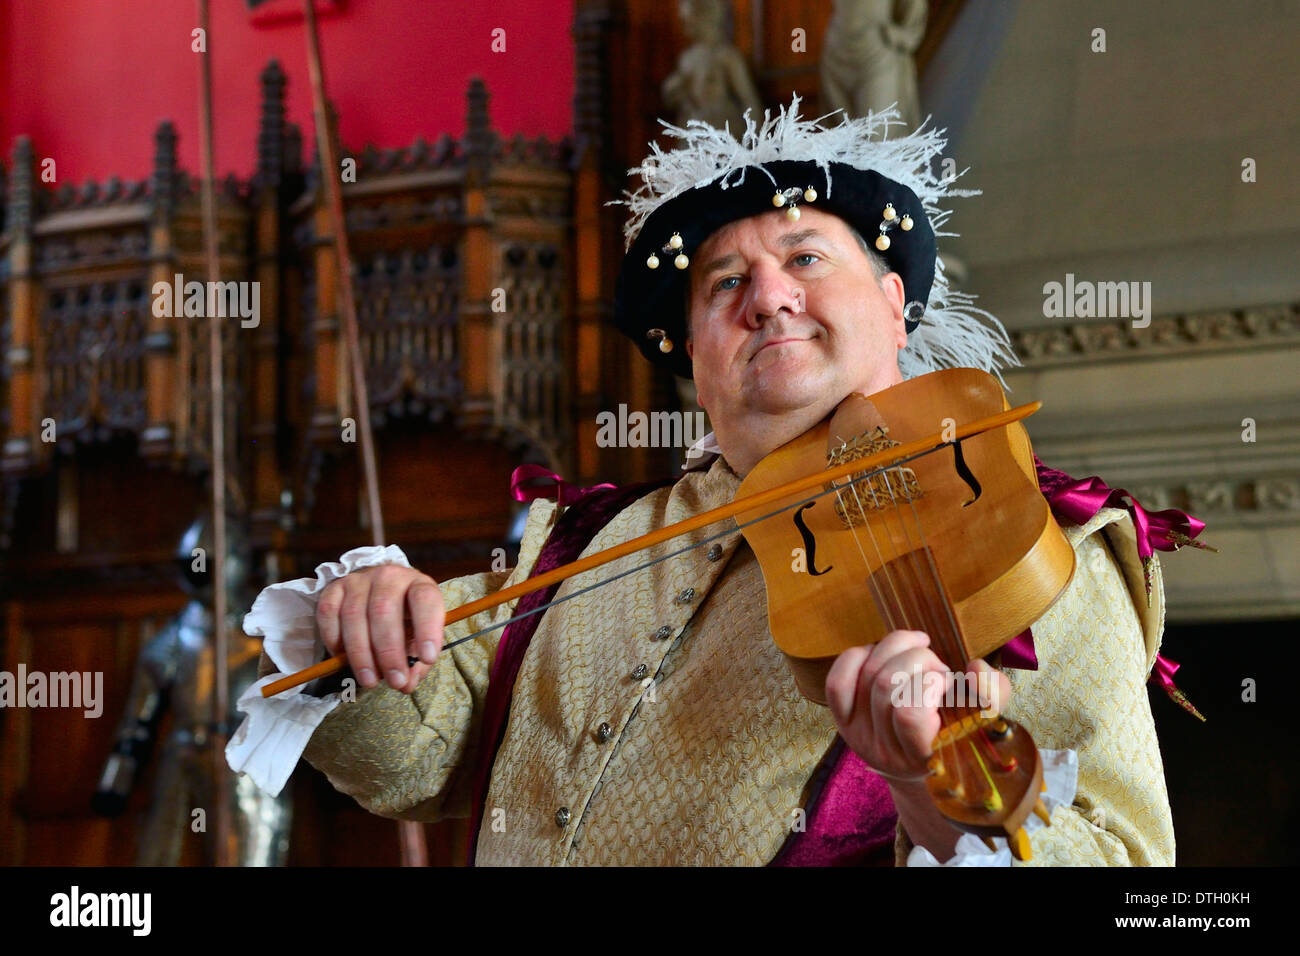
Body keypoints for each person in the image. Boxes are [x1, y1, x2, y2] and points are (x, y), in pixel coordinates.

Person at [228, 100, 1191, 866]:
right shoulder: (590, 544)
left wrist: (929, 794)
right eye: (724, 284)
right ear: (694, 351)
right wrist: (366, 621)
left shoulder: (1028, 536)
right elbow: (413, 762)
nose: (767, 295)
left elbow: (1125, 871)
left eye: (806, 258)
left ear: (896, 306)